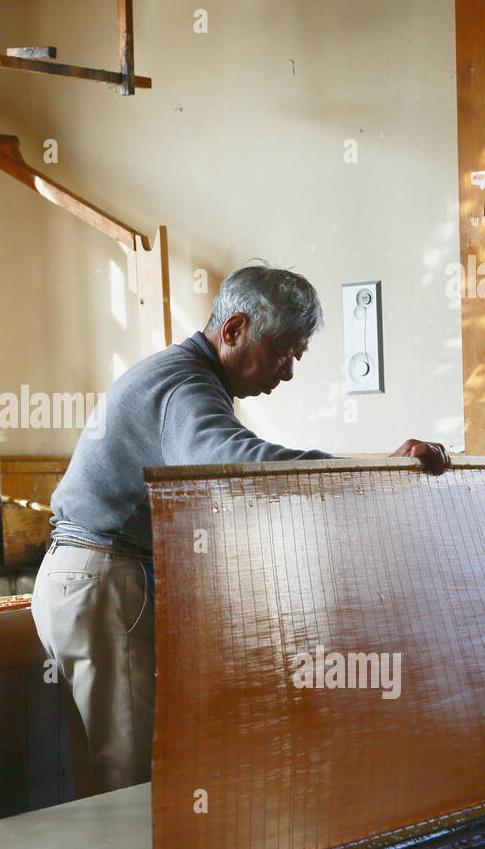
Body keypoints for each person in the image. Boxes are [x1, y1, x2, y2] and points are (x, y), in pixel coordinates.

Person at [31, 264, 451, 795]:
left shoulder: (186, 377)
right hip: (102, 578)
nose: (288, 372)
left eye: (297, 356)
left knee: (128, 767)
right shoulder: (185, 385)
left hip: (91, 576)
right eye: (283, 352)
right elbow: (236, 464)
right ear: (233, 331)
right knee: (130, 778)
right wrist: (375, 472)